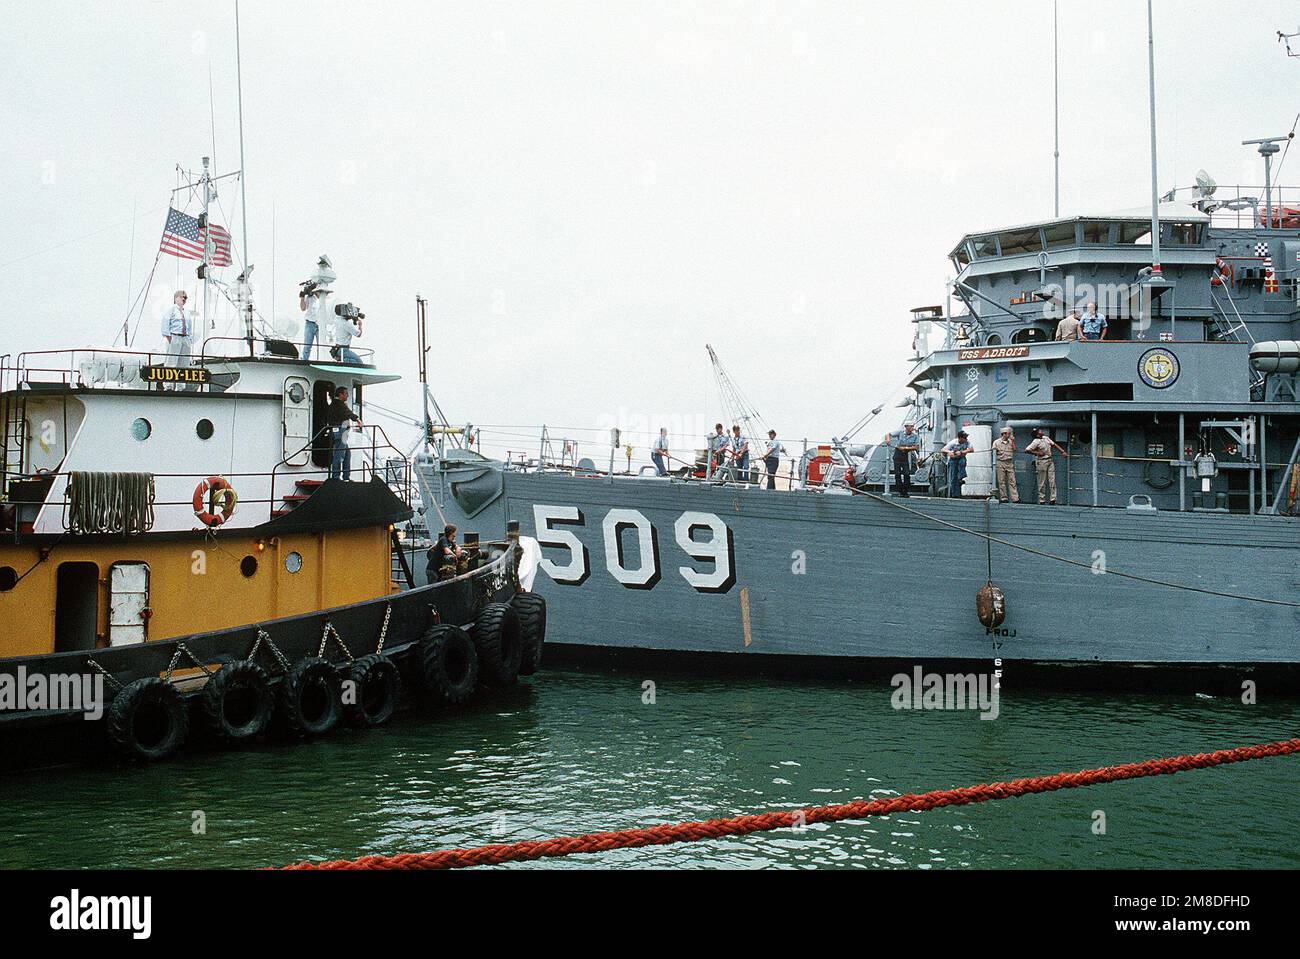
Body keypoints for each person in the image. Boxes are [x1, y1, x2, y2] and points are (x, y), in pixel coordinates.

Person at [326, 386, 362, 480]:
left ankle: (346, 477)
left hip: (341, 431)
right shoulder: (338, 404)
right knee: (339, 454)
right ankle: (336, 477)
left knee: (346, 454)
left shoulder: (336, 404)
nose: (347, 395)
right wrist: (357, 419)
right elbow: (347, 413)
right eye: (346, 393)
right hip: (339, 431)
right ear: (340, 394)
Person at [1024, 428, 1066, 505]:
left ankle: (1053, 499)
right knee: (1042, 481)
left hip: (1050, 460)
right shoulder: (1035, 442)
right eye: (1039, 431)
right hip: (1041, 462)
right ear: (1037, 434)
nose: (1041, 431)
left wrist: (1062, 451)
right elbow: (1027, 450)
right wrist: (1037, 453)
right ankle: (1042, 499)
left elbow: (1054, 444)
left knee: (1052, 480)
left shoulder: (1045, 438)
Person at [160, 290, 192, 390]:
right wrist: (169, 337)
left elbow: (189, 326)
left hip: (185, 338)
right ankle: (168, 386)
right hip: (175, 336)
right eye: (182, 297)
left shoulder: (187, 312)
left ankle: (180, 387)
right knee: (171, 362)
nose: (184, 299)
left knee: (184, 363)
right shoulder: (171, 309)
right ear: (176, 298)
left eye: (185, 297)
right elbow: (165, 323)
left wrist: (189, 339)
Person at [884, 422, 922, 497]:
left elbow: (916, 447)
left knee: (907, 473)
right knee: (897, 473)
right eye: (911, 426)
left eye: (913, 426)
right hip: (897, 454)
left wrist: (905, 448)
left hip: (905, 454)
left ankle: (906, 491)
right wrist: (888, 440)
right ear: (906, 427)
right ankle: (900, 491)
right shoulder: (900, 433)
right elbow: (888, 434)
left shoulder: (915, 436)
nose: (912, 428)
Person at [942, 429, 973, 498]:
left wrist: (962, 452)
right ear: (960, 438)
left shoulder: (967, 442)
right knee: (953, 477)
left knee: (962, 462)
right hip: (953, 459)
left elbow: (971, 449)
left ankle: (961, 477)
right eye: (964, 438)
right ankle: (955, 494)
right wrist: (949, 452)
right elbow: (943, 449)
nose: (966, 439)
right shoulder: (953, 442)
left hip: (961, 457)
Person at [992, 426, 1019, 503]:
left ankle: (1015, 498)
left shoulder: (1011, 441)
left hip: (1009, 462)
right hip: (1000, 462)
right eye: (1008, 434)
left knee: (1012, 481)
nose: (1009, 435)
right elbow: (994, 452)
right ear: (1003, 434)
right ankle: (1004, 498)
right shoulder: (996, 442)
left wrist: (1013, 441)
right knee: (1001, 481)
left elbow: (1015, 449)